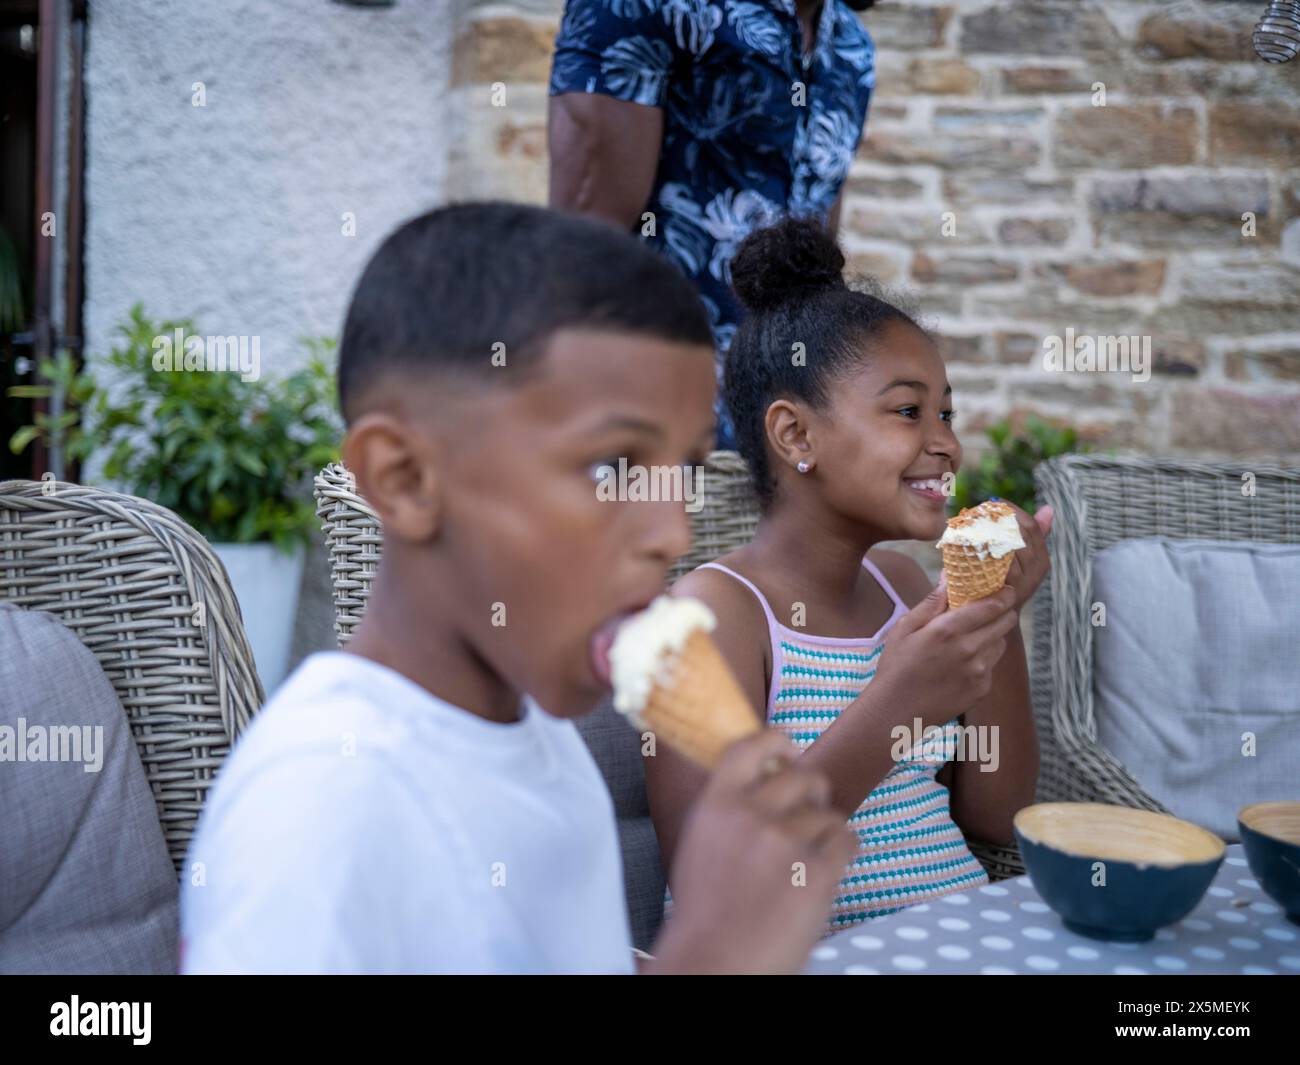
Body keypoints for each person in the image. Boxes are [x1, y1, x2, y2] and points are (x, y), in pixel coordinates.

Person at [180, 202, 855, 974]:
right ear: (404, 480)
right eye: (611, 468)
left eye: (687, 473)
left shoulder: (540, 733)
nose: (672, 530)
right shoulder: (316, 810)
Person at [647, 216, 1052, 932]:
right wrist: (899, 704)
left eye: (947, 413)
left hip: (966, 938)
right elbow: (714, 881)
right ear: (796, 434)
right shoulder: (713, 618)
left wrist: (996, 608)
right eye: (908, 411)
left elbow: (998, 813)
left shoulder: (903, 583)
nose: (948, 443)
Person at [549, 0, 878, 447]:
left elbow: (818, 245)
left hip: (780, 421)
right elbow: (581, 242)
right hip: (651, 405)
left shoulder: (851, 44)